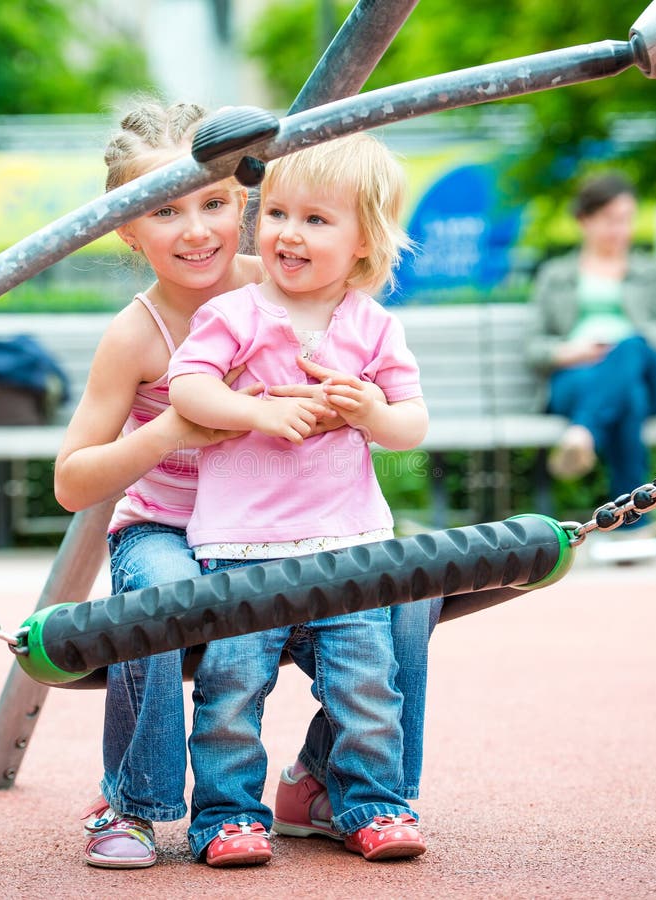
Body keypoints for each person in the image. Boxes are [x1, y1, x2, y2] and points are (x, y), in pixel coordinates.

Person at [54, 101, 442, 869]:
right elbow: (72, 482)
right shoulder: (139, 333)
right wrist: (171, 428)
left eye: (215, 203)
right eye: (165, 211)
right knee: (158, 598)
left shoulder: (285, 277)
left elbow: (374, 357)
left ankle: (329, 782)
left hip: (288, 524)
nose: (196, 229)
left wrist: (361, 406)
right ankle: (135, 803)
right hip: (172, 524)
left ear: (243, 202)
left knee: (410, 589)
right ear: (129, 229)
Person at [168, 132, 430, 866]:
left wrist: (370, 411)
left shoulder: (373, 327)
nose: (288, 232)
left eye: (317, 220)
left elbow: (410, 426)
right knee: (228, 690)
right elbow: (188, 385)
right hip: (241, 546)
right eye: (278, 213)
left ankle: (372, 803)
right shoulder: (235, 315)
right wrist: (257, 412)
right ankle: (225, 815)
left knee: (367, 689)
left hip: (347, 544)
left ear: (363, 242)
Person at [526, 172, 656, 512]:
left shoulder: (653, 272)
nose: (620, 230)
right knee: (628, 398)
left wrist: (620, 347)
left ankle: (583, 432)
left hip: (650, 375)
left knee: (631, 348)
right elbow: (533, 347)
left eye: (626, 220)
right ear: (584, 220)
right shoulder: (555, 275)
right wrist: (570, 351)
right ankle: (633, 527)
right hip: (577, 378)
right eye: (610, 220)